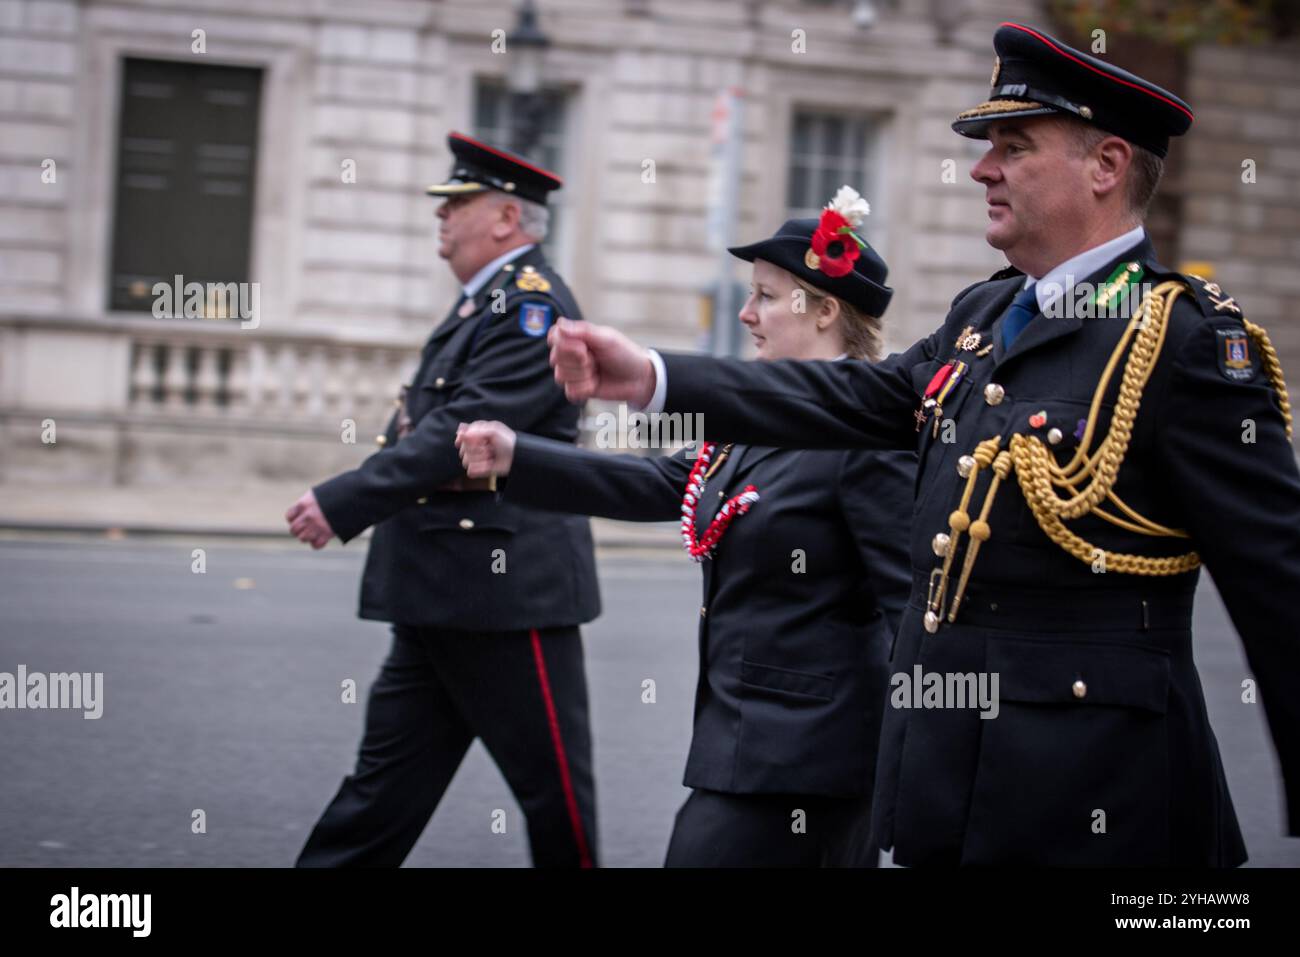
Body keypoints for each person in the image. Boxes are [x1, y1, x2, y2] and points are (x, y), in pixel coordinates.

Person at [541, 22, 1300, 866]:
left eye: (1014, 146)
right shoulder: (982, 316)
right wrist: (651, 375)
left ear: (1107, 165)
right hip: (953, 788)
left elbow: (1281, 584)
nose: (982, 168)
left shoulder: (1185, 341)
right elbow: (853, 394)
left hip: (1103, 802)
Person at [458, 191, 915, 866]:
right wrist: (518, 457)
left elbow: (913, 606)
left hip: (812, 763)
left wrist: (919, 765)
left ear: (824, 309)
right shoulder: (762, 415)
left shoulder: (866, 436)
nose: (745, 313)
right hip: (740, 743)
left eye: (765, 295)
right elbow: (665, 484)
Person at [286, 132, 601, 867]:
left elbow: (453, 433)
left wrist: (343, 501)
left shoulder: (530, 307)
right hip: (440, 590)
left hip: (504, 595)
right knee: (381, 794)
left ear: (504, 219)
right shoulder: (480, 305)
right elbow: (422, 429)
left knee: (556, 801)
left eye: (456, 203)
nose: (442, 216)